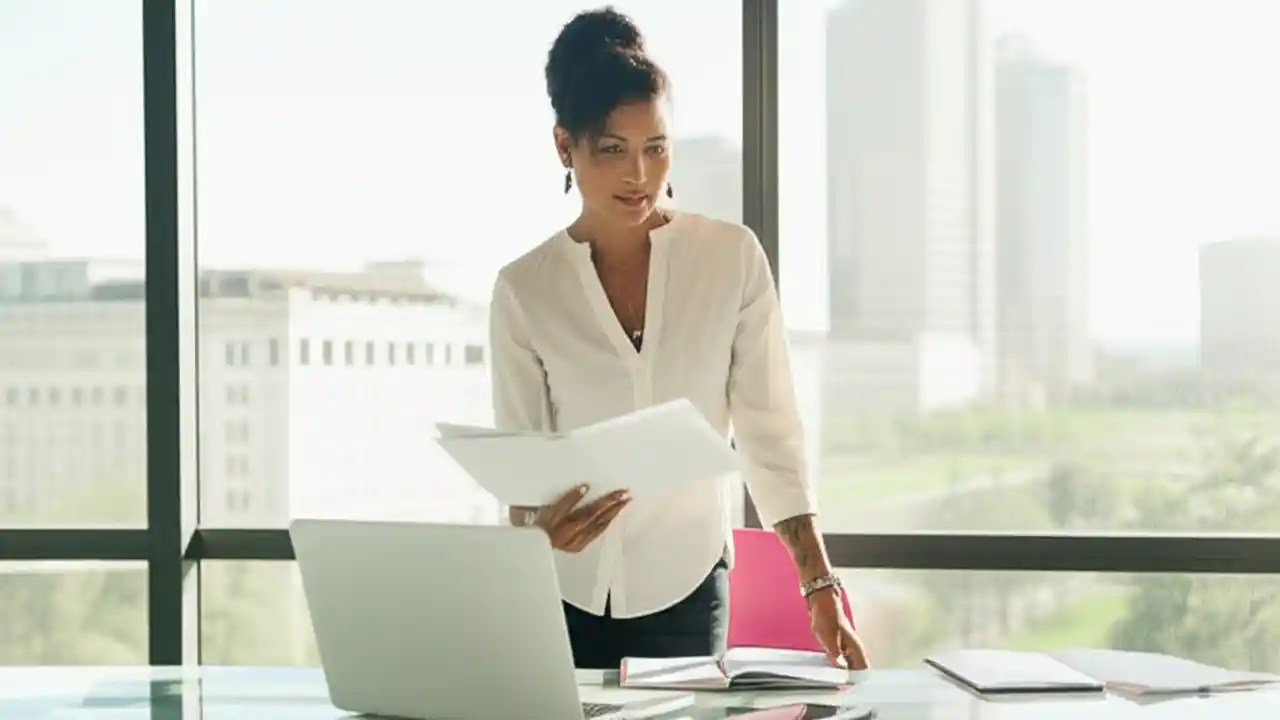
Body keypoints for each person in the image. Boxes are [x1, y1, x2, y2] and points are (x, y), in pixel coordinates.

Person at [488, 6, 869, 671]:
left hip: (687, 588)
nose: (639, 174)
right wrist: (533, 529)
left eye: (656, 147)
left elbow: (770, 436)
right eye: (612, 149)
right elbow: (523, 472)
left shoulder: (730, 259)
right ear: (563, 147)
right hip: (561, 595)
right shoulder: (525, 288)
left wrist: (818, 581)